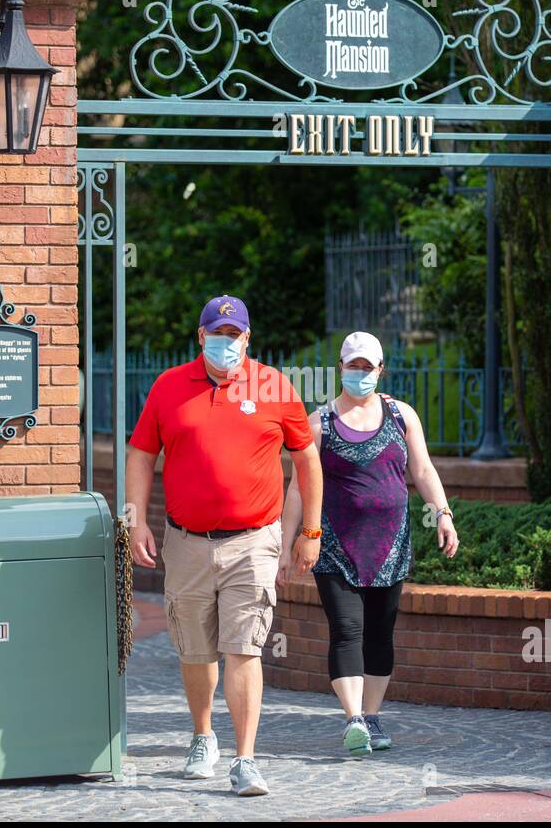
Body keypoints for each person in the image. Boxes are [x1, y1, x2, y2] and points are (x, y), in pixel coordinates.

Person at [126, 295, 323, 797]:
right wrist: (135, 522)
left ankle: (245, 758)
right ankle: (202, 735)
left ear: (248, 339)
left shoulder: (274, 386)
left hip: (253, 541)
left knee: (243, 647)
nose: (225, 343)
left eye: (234, 335)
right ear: (200, 336)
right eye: (217, 334)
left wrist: (310, 532)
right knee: (195, 649)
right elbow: (141, 453)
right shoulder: (169, 387)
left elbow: (307, 460)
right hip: (187, 541)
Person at [280, 331, 459, 757]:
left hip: (390, 545)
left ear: (381, 370)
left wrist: (444, 514)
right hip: (336, 546)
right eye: (352, 366)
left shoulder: (401, 416)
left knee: (380, 634)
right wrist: (285, 547)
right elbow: (297, 489)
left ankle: (372, 716)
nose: (360, 373)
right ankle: (353, 719)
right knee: (347, 630)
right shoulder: (318, 423)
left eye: (368, 366)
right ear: (340, 368)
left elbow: (423, 469)